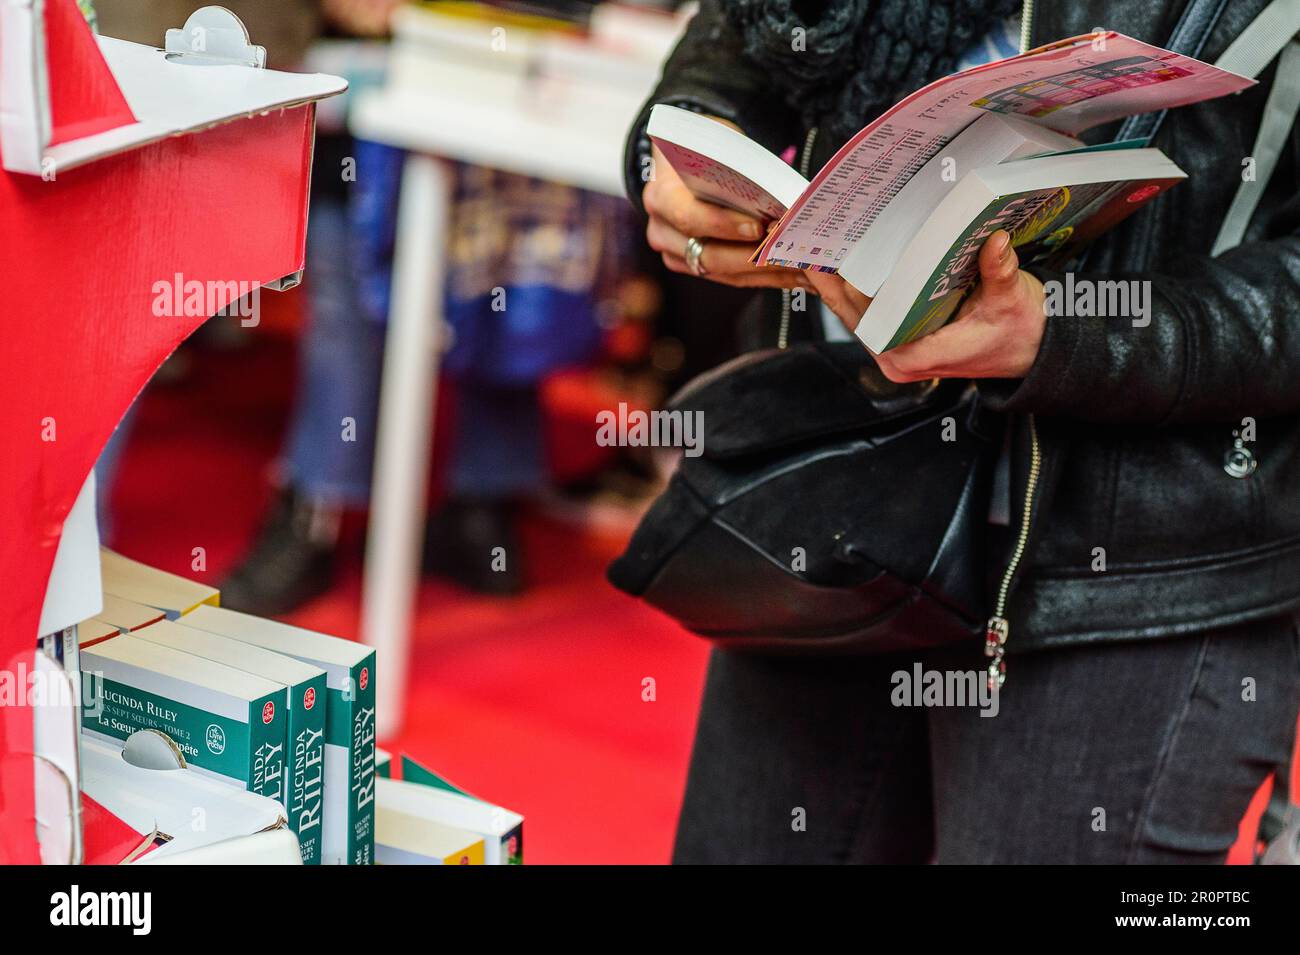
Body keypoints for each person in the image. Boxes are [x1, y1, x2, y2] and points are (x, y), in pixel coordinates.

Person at [625, 0, 1300, 863]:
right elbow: (737, 33)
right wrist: (683, 150)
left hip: (1131, 565)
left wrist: (1075, 335)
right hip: (838, 485)